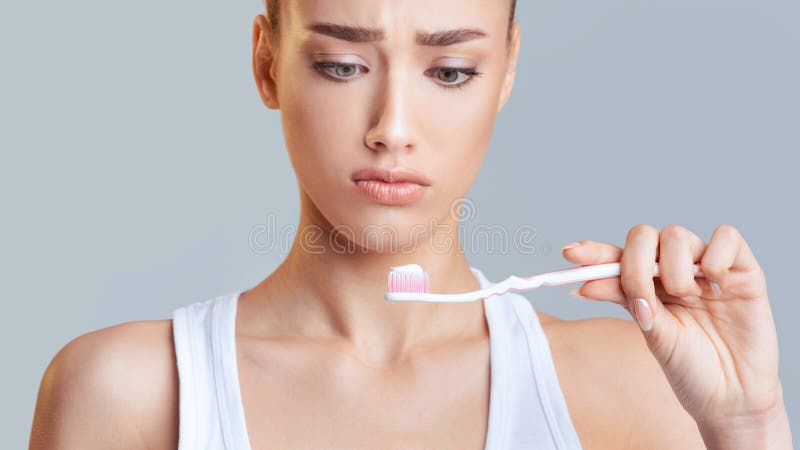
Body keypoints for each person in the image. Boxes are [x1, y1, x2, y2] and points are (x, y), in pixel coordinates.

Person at [29, 0, 793, 448]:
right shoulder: (125, 393)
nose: (392, 128)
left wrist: (748, 425)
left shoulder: (643, 386)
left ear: (507, 69)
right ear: (267, 62)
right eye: (341, 65)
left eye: (450, 72)